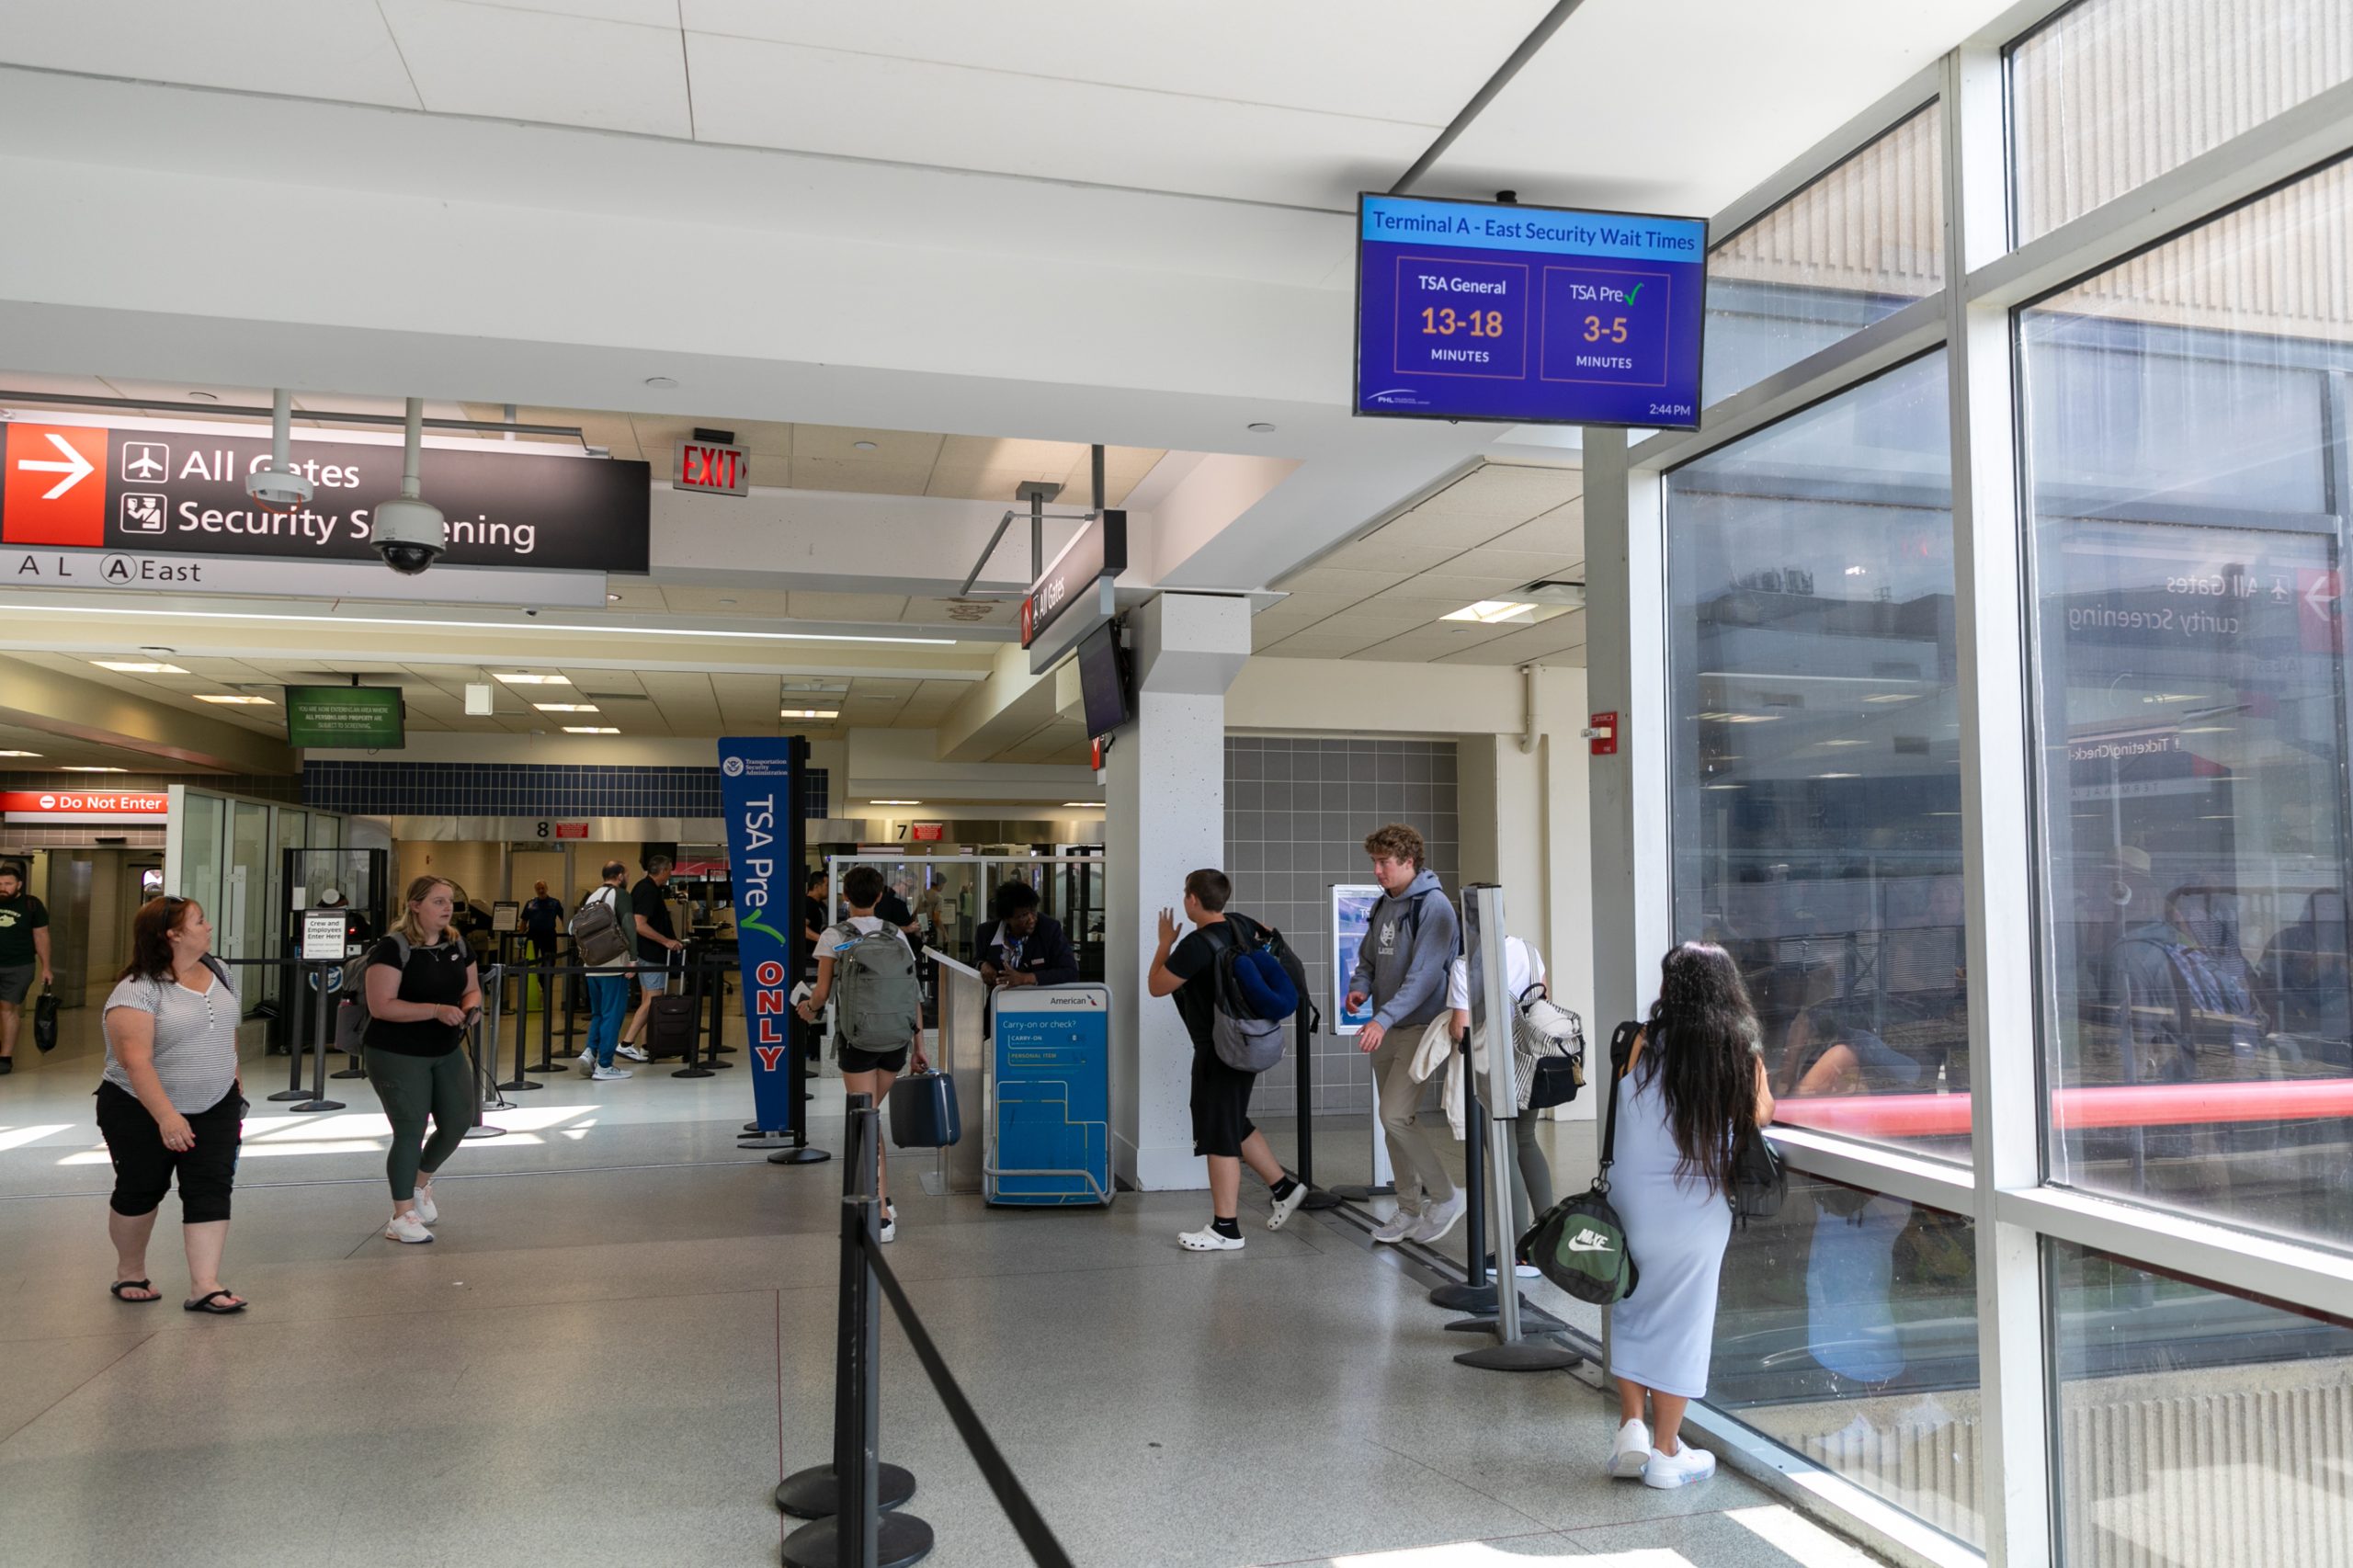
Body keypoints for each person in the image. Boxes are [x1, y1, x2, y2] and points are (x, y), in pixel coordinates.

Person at [1606, 941, 1776, 1489]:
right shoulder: (1735, 1049)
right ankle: (1666, 1452)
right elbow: (1761, 1112)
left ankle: (1632, 1426)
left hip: (1631, 1201)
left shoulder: (1636, 1041)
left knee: (1630, 1302)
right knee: (1683, 1324)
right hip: (1695, 1207)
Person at [97, 895, 248, 1312]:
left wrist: (235, 1086)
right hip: (138, 1107)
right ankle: (130, 1271)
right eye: (200, 921)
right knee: (141, 1188)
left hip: (216, 1103)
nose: (209, 927)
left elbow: (226, 1033)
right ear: (173, 934)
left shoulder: (220, 972)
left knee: (212, 1187)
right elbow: (134, 1061)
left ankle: (205, 1284)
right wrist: (166, 1116)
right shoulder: (137, 989)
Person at [1148, 868, 1310, 1251]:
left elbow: (1157, 986)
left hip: (1218, 1048)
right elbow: (1271, 939)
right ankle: (1284, 1187)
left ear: (1191, 899)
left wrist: (1164, 942)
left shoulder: (1196, 945)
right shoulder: (1243, 925)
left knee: (1219, 1133)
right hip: (1248, 1039)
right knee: (1232, 1119)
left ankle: (1226, 1228)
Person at [1346, 824, 1464, 1245]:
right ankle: (1409, 1209)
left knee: (1394, 1115)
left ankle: (1448, 1196)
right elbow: (1367, 961)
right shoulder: (1384, 906)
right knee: (1396, 1123)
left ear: (1409, 862)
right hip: (1389, 1024)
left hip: (1419, 1026)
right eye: (1374, 862)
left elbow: (1424, 977)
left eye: (1385, 863)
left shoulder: (1435, 908)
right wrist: (1361, 987)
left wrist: (1383, 1018)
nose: (1377, 871)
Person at [797, 866, 926, 1242]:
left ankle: (880, 1212)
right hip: (896, 1041)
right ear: (881, 895)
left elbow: (821, 992)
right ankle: (883, 1193)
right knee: (871, 1117)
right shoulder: (896, 934)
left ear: (845, 895)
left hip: (859, 1041)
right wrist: (919, 1046)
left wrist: (809, 1010)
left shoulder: (836, 937)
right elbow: (912, 992)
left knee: (865, 1120)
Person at [362, 876, 485, 1244]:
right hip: (397, 1052)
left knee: (459, 1119)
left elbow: (472, 987)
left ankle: (419, 1183)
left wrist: (471, 1008)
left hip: (445, 1048)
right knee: (410, 1129)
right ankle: (400, 1216)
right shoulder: (391, 948)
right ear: (414, 906)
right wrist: (434, 1010)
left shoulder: (456, 943)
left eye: (449, 901)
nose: (447, 908)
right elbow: (381, 1005)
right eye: (437, 901)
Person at [1446, 933, 1554, 1271]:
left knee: (1503, 1152)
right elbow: (1544, 1001)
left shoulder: (1465, 965)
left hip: (1492, 1067)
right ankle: (1548, 1239)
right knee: (1526, 1141)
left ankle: (1516, 1252)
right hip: (1531, 1061)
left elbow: (1460, 1027)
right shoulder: (1528, 950)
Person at [619, 856, 686, 1060]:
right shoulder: (648, 890)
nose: (670, 874)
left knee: (649, 1000)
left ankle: (648, 1047)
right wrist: (666, 941)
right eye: (669, 871)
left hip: (644, 952)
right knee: (653, 1000)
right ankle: (626, 1043)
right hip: (651, 953)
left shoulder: (644, 887)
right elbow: (639, 924)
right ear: (663, 870)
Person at [574, 861, 636, 1082]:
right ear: (619, 876)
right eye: (627, 874)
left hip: (591, 965)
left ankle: (590, 1052)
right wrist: (633, 959)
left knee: (599, 1013)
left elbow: (574, 927)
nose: (627, 878)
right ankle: (605, 1065)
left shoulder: (591, 897)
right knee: (613, 1015)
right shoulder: (621, 895)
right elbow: (629, 924)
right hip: (614, 964)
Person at [0, 859, 54, 1076]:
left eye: (8, 884)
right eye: (0, 883)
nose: (3, 888)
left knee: (7, 1010)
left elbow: (41, 936)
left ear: (19, 885)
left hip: (19, 965)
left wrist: (46, 967)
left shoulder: (31, 905)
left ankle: (5, 1057)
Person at [975, 881, 1079, 990]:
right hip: (997, 1002)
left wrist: (1026, 978)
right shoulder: (986, 932)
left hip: (1038, 1002)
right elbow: (977, 960)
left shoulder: (1049, 929)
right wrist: (982, 965)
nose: (1032, 919)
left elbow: (1070, 972)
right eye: (1023, 915)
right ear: (1006, 918)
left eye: (1033, 911)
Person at [520, 880, 564, 963]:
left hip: (549, 935)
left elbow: (563, 919)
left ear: (547, 888)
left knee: (549, 961)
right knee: (530, 960)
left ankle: (546, 977)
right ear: (535, 890)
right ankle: (530, 976)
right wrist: (520, 935)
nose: (541, 890)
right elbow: (524, 920)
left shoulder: (555, 903)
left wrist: (568, 932)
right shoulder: (530, 903)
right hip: (533, 935)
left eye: (542, 888)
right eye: (538, 889)